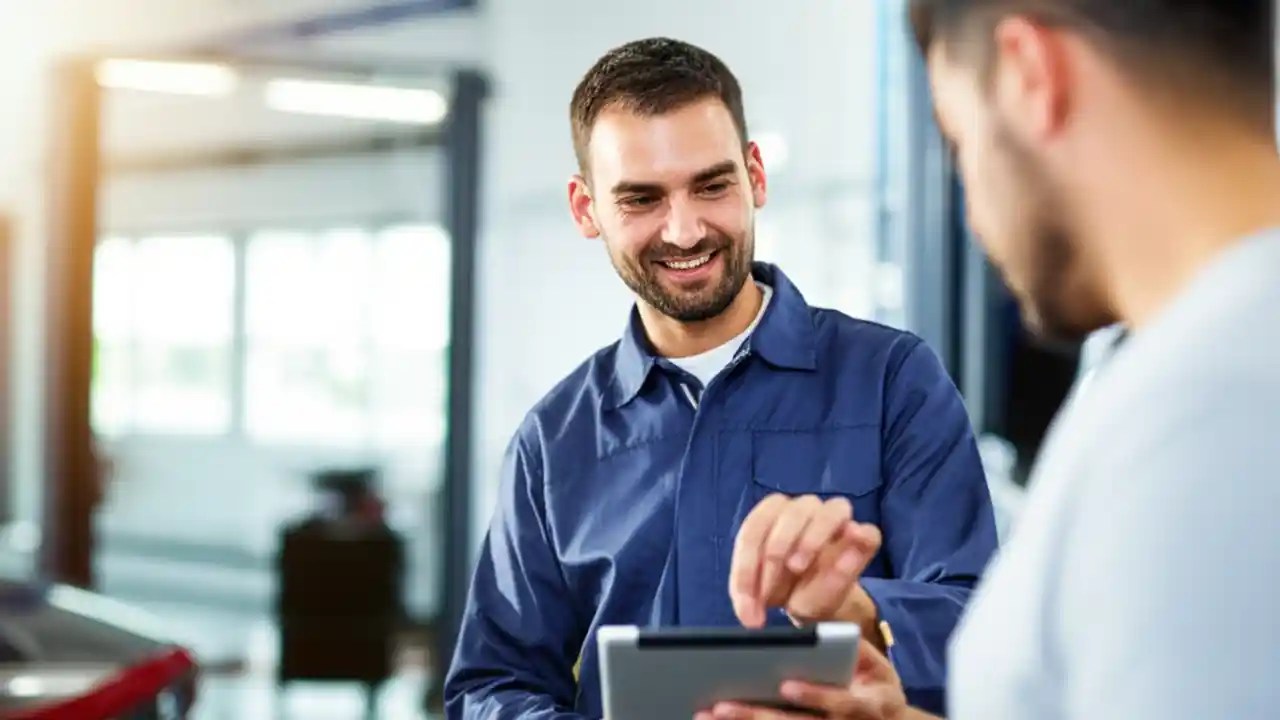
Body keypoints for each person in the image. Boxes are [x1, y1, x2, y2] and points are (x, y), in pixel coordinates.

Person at [703, 1, 1280, 718]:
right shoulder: (1174, 371)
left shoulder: (1208, 410)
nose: (975, 215)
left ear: (1029, 74)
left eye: (958, 141)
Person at [444, 37, 998, 718]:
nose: (684, 231)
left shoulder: (892, 382)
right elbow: (493, 685)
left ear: (754, 176)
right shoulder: (553, 443)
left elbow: (980, 624)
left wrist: (854, 610)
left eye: (711, 186)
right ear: (587, 209)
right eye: (641, 199)